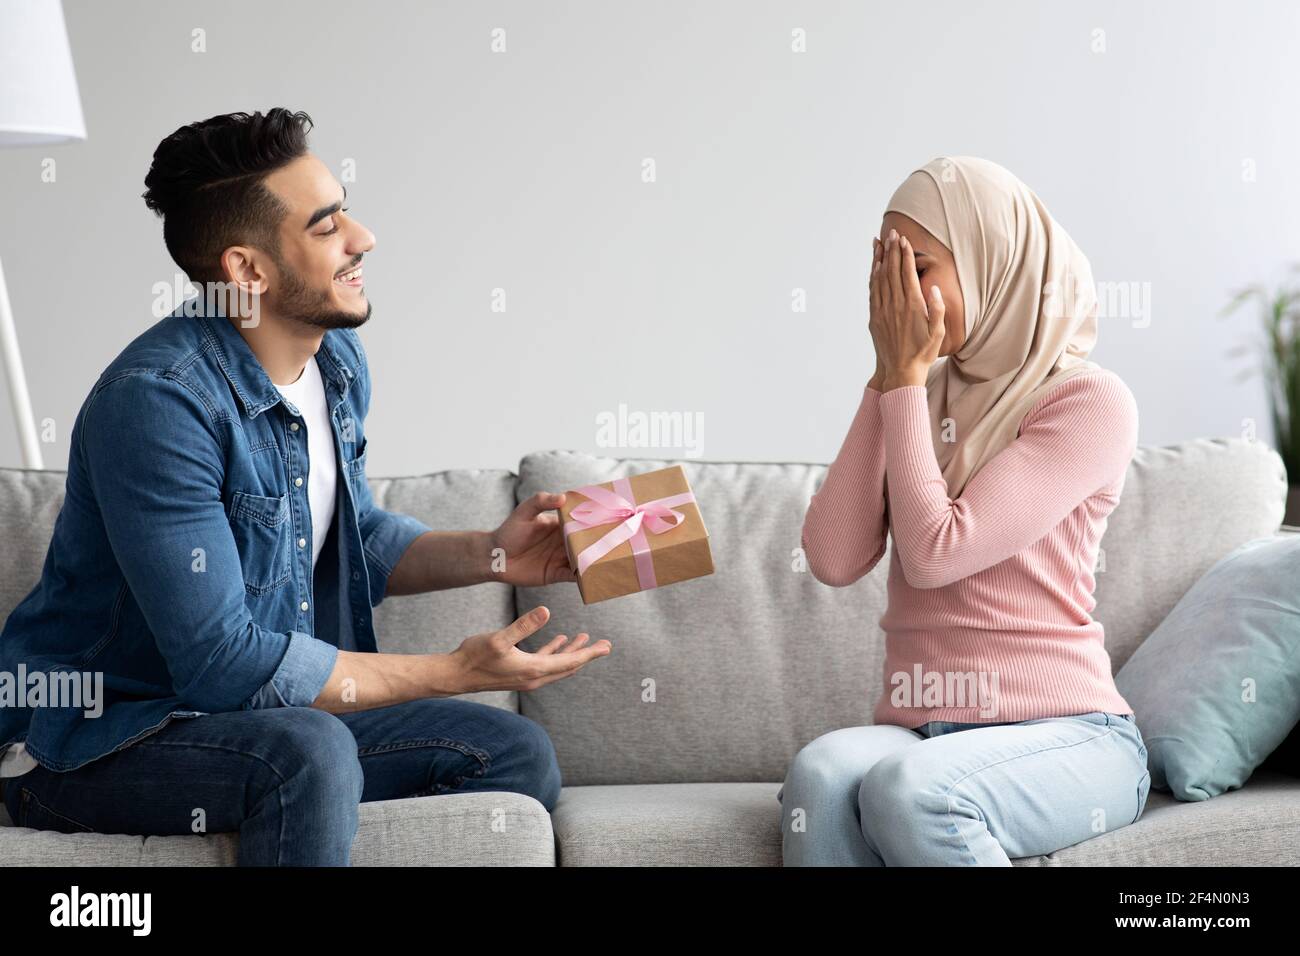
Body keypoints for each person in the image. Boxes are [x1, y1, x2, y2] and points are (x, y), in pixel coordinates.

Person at [0, 109, 610, 865]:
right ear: (247, 271)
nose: (364, 238)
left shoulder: (337, 360)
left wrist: (491, 554)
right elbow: (222, 665)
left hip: (265, 727)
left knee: (511, 752)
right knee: (310, 750)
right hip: (98, 739)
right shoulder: (157, 403)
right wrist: (456, 670)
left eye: (345, 209)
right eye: (327, 228)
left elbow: (345, 538)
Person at [780, 156, 1151, 866]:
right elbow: (833, 557)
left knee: (912, 790)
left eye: (917, 269)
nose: (900, 297)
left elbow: (934, 554)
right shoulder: (918, 390)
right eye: (884, 273)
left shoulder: (1088, 401)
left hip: (1069, 732)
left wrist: (904, 385)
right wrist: (891, 380)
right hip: (923, 728)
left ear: (993, 262)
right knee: (819, 779)